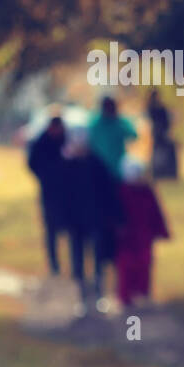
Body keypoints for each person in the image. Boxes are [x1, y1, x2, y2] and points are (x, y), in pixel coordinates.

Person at [59, 125, 125, 311]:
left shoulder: (96, 164)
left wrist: (115, 216)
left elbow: (109, 192)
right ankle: (81, 298)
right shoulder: (67, 167)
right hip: (75, 223)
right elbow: (62, 197)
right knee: (77, 261)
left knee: (98, 259)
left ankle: (99, 295)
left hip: (96, 220)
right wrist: (63, 220)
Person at [114, 156, 171, 308]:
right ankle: (125, 296)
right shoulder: (120, 192)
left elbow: (155, 213)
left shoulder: (147, 191)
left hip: (145, 236)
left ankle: (143, 293)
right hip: (126, 239)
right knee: (126, 267)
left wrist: (161, 230)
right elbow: (114, 215)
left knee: (144, 265)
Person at [26, 116, 68, 276]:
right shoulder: (41, 142)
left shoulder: (64, 139)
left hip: (65, 191)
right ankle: (54, 264)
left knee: (67, 227)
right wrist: (45, 176)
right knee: (51, 229)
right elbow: (31, 164)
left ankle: (71, 263)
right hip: (49, 191)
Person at [87, 94, 138, 178]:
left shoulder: (119, 122)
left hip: (117, 165)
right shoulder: (96, 124)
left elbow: (133, 135)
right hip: (99, 165)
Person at [147, 89, 179, 180]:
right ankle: (161, 173)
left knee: (164, 154)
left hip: (161, 133)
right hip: (158, 134)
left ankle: (167, 174)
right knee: (159, 155)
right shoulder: (153, 108)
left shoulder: (158, 108)